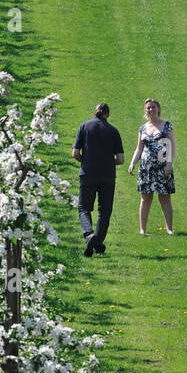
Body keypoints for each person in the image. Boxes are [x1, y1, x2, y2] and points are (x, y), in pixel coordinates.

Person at [73, 102, 124, 257]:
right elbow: (120, 159)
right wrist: (108, 162)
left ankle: (89, 235)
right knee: (105, 210)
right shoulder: (113, 131)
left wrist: (86, 161)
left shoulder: (84, 127)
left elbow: (75, 153)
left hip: (88, 172)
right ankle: (97, 242)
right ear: (108, 115)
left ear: (94, 112)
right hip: (108, 174)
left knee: (84, 208)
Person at [127, 98, 175, 235]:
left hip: (163, 167)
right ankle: (142, 230)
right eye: (148, 108)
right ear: (145, 110)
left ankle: (169, 229)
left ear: (158, 109)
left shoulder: (167, 126)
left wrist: (169, 164)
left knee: (164, 198)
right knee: (145, 198)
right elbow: (139, 148)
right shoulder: (143, 128)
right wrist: (132, 163)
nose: (151, 110)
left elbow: (171, 146)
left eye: (153, 107)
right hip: (146, 168)